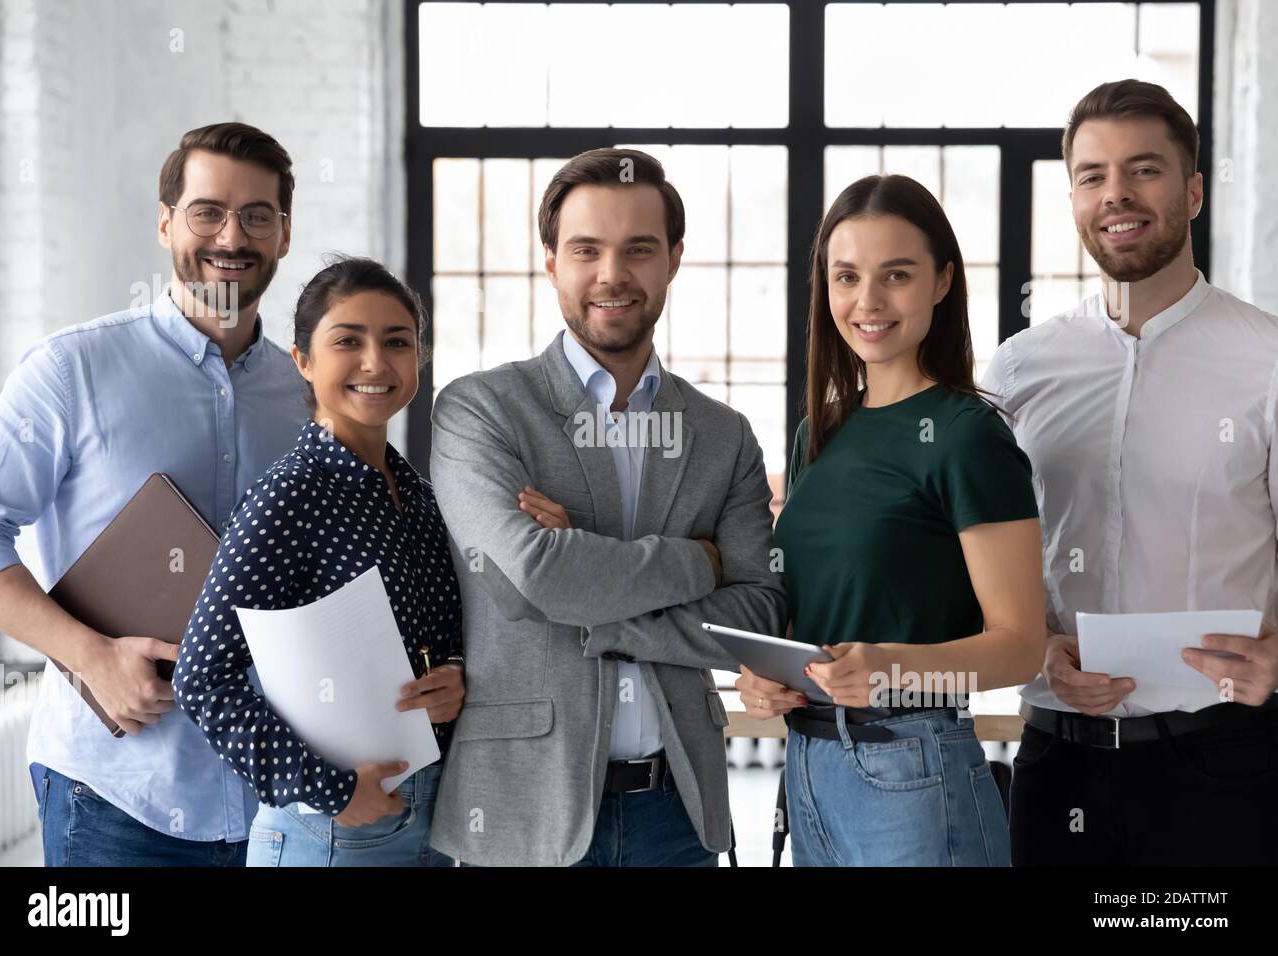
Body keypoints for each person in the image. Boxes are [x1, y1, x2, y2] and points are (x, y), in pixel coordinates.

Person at [426, 147, 786, 867]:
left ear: (675, 259)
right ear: (552, 260)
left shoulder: (723, 434)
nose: (612, 275)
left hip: (677, 813)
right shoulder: (480, 410)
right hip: (523, 811)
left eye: (639, 250)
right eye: (586, 249)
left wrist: (593, 593)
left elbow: (759, 618)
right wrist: (699, 563)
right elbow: (536, 575)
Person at [0, 123, 307, 865]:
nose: (233, 235)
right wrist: (89, 655)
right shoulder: (73, 370)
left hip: (277, 801)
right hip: (115, 801)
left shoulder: (305, 395)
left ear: (284, 235)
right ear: (166, 224)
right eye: (207, 211)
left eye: (258, 215)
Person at [983, 79, 1278, 866]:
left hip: (1226, 767)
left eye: (1144, 170)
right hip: (1057, 763)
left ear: (1194, 189)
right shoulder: (1017, 371)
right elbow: (990, 567)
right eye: (1092, 175)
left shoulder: (1269, 361)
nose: (1117, 194)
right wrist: (1039, 647)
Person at [737, 173, 1046, 866]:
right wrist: (769, 673)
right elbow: (821, 611)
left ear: (942, 282)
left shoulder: (969, 435)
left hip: (913, 766)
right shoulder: (819, 432)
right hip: (810, 763)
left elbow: (1021, 646)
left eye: (896, 275)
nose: (867, 301)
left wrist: (891, 669)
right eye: (846, 276)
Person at [173, 256, 464, 866]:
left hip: (434, 815)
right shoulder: (291, 495)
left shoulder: (416, 492)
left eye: (396, 342)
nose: (375, 363)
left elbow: (436, 635)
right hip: (335, 832)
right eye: (347, 342)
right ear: (302, 359)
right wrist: (328, 790)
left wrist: (452, 679)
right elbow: (201, 678)